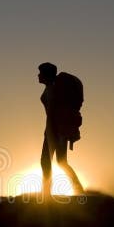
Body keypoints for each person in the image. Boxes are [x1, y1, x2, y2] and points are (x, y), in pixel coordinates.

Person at [38, 62, 84, 196]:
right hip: (52, 130)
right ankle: (78, 189)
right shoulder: (50, 89)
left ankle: (46, 193)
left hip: (57, 131)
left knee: (50, 161)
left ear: (46, 74)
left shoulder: (54, 89)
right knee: (60, 161)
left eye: (41, 73)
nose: (38, 75)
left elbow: (56, 113)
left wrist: (59, 132)